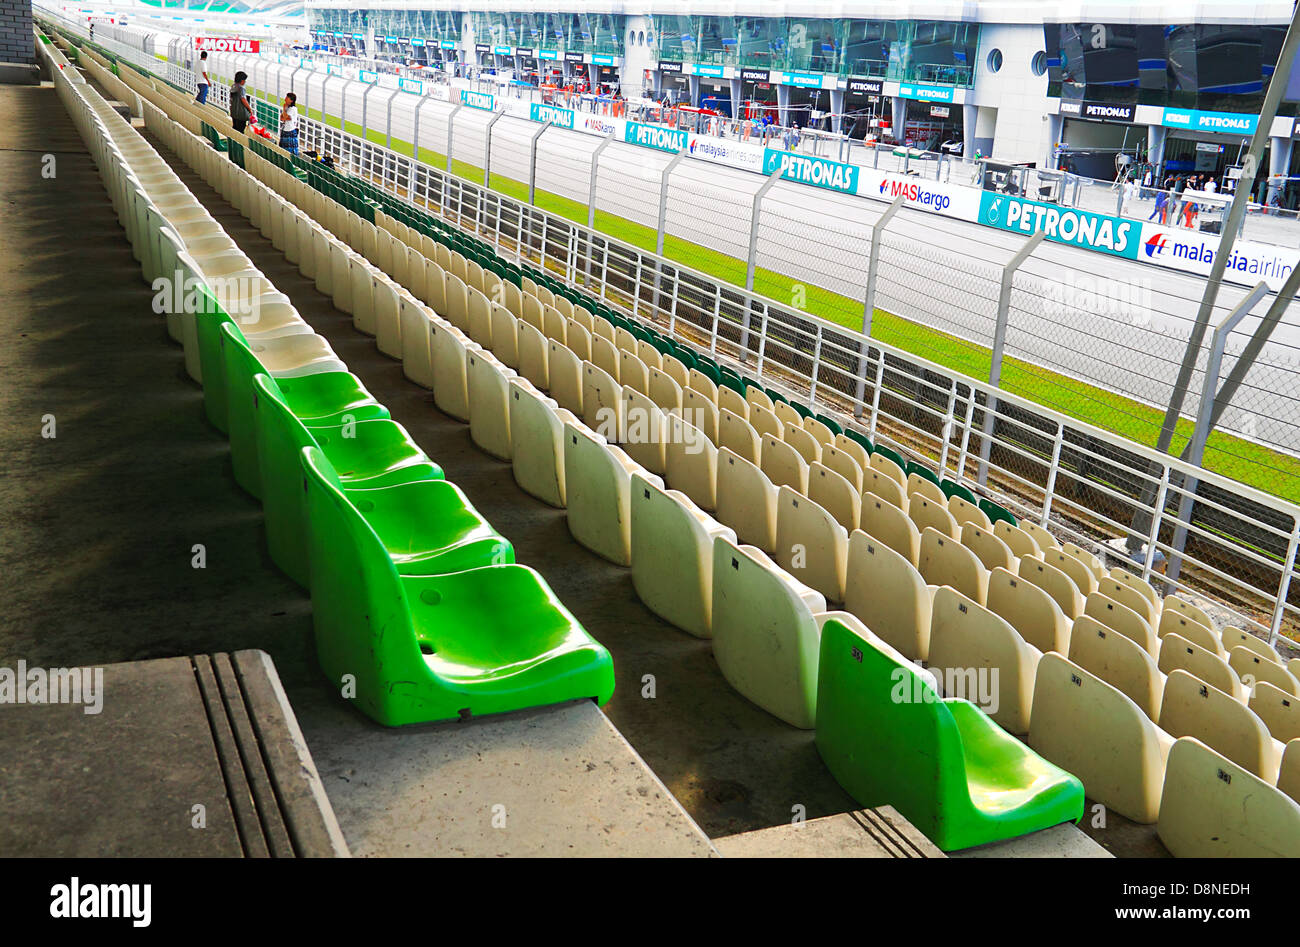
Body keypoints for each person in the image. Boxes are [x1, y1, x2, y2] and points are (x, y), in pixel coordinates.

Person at [229, 71, 252, 136]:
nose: (245, 82)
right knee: (240, 131)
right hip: (241, 114)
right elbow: (243, 99)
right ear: (242, 80)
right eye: (244, 80)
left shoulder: (233, 86)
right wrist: (249, 109)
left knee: (235, 128)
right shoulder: (241, 88)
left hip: (234, 112)